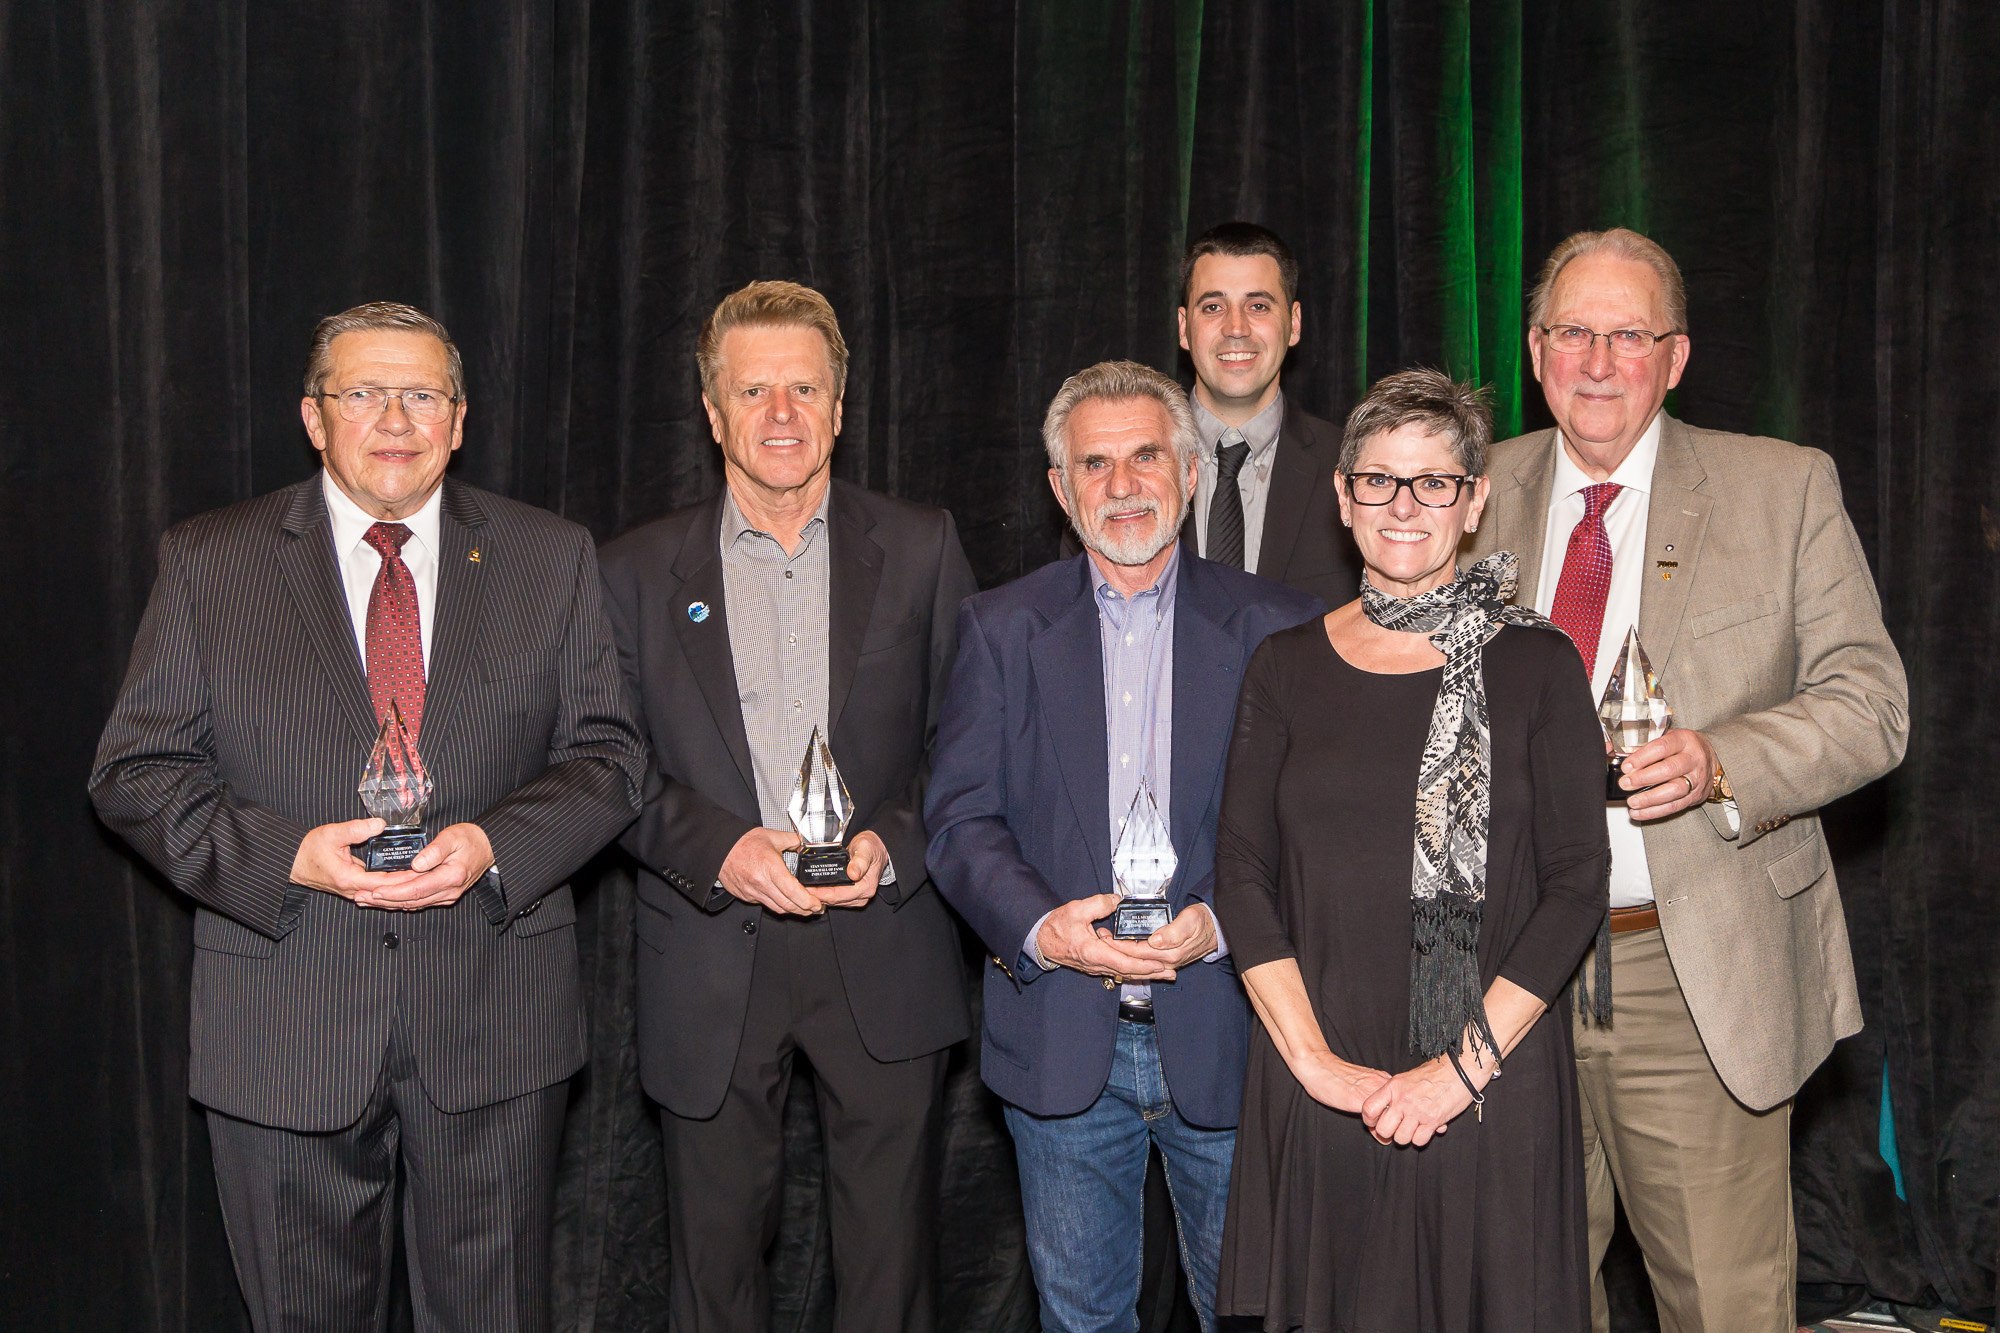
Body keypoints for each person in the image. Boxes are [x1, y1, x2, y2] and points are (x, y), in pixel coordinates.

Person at [90, 301, 648, 1330]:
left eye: (422, 393)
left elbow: (610, 758)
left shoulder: (548, 555)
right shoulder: (210, 561)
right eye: (363, 392)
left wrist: (492, 844)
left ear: (460, 416)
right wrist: (284, 858)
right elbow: (135, 770)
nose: (395, 417)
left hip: (494, 1027)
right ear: (314, 417)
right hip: (285, 1028)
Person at [1467, 227, 1909, 1332]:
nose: (1598, 360)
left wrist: (1724, 758)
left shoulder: (1781, 487)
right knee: (1517, 1299)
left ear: (1675, 356)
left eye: (1629, 334)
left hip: (1683, 962)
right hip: (1502, 970)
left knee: (1722, 1306)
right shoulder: (1465, 494)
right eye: (1573, 332)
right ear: (1534, 351)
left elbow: (1871, 705)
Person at [597, 280, 976, 1333]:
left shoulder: (919, 547)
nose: (779, 414)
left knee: (889, 1273)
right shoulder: (630, 569)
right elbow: (607, 760)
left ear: (841, 406)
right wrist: (717, 850)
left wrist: (893, 843)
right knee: (711, 1278)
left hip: (883, 941)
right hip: (714, 949)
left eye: (803, 387)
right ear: (710, 412)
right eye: (751, 389)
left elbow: (969, 740)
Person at [927, 360, 1321, 1332]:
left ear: (1189, 471)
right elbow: (959, 819)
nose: (1122, 483)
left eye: (1145, 454)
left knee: (1254, 1313)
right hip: (1062, 1038)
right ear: (1060, 490)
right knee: (1081, 1319)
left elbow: (1309, 823)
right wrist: (1041, 927)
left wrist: (1224, 922)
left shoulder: (1279, 627)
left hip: (1234, 1034)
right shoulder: (997, 628)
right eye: (1092, 463)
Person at [1213, 368, 1609, 1330]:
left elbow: (1575, 888)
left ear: (1473, 501)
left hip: (1488, 1083)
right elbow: (1241, 873)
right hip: (1322, 1077)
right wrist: (1315, 1064)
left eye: (1434, 481)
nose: (1404, 505)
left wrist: (1455, 1071)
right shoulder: (1285, 664)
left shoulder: (1541, 662)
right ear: (1344, 496)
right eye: (1379, 479)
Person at [1058, 222, 1359, 604]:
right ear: (1184, 328)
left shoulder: (1354, 467)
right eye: (1214, 307)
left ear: (1294, 323)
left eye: (1258, 306)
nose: (1236, 328)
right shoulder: (1110, 476)